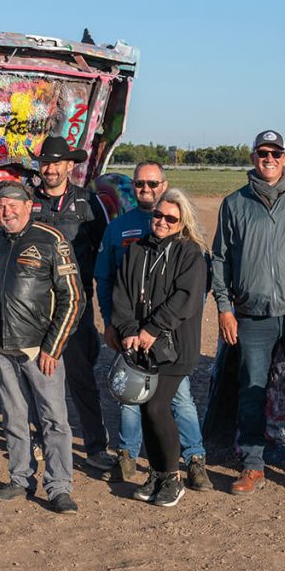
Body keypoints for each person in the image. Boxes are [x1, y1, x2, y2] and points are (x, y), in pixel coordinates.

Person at [212, 129, 285, 499]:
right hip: (253, 316)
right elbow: (220, 259)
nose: (269, 159)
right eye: (262, 153)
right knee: (252, 390)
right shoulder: (235, 203)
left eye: (276, 153)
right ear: (253, 157)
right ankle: (252, 465)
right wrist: (224, 308)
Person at [95, 161, 209, 489]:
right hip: (134, 338)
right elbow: (114, 285)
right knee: (136, 401)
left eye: (153, 183)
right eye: (140, 184)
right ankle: (133, 458)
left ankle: (192, 459)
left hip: (170, 344)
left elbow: (189, 295)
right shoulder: (126, 234)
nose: (146, 190)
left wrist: (157, 328)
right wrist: (121, 327)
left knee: (173, 403)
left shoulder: (190, 250)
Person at [0, 181, 82, 514]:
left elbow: (73, 298)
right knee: (14, 420)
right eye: (1, 206)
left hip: (40, 351)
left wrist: (54, 346)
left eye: (13, 204)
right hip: (0, 351)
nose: (7, 211)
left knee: (54, 421)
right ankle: (19, 479)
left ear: (28, 205)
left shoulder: (51, 240)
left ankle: (59, 487)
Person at [29, 135, 111, 471]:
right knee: (36, 376)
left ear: (69, 166)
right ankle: (40, 438)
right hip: (34, 305)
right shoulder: (27, 201)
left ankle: (95, 446)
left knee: (80, 376)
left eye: (56, 163)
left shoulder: (87, 203)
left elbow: (104, 250)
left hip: (75, 304)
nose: (50, 169)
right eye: (45, 162)